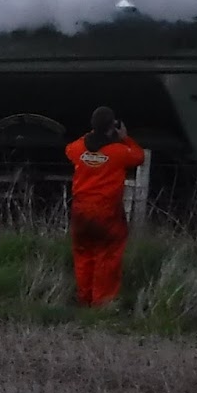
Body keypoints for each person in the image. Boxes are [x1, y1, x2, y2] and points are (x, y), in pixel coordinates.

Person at [63, 105, 144, 307]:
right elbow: (139, 156)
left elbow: (69, 149)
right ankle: (102, 303)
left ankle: (84, 299)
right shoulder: (119, 152)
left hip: (81, 211)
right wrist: (124, 137)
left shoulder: (78, 149)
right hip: (106, 212)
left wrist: (93, 135)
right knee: (107, 257)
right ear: (112, 127)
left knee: (83, 256)